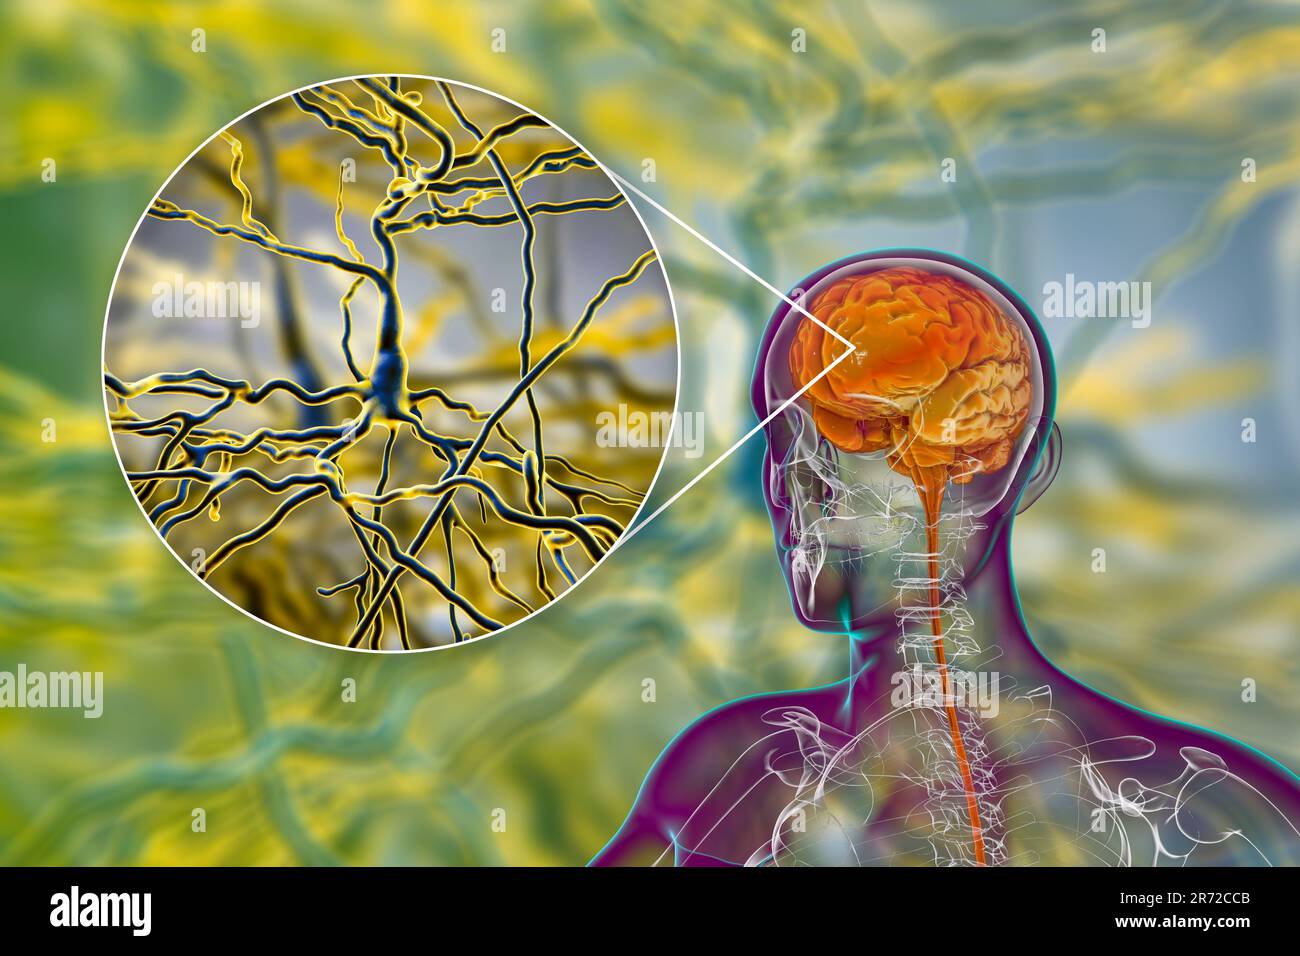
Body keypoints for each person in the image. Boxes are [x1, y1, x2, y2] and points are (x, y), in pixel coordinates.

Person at [592, 249, 1300, 867]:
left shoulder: (1207, 819)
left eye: (866, 430)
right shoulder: (739, 777)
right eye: (782, 437)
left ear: (1027, 468)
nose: (795, 482)